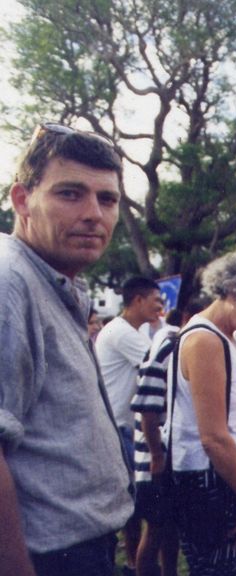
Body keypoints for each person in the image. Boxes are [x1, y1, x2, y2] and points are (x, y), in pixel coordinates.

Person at [0, 122, 133, 576]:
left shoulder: (49, 282)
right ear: (22, 201)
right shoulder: (8, 283)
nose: (94, 213)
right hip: (49, 557)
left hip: (82, 548)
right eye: (70, 194)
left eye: (107, 199)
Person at [167, 250, 236, 574]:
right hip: (220, 483)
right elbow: (214, 437)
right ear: (234, 290)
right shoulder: (204, 340)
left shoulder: (227, 339)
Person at [131, 300, 207, 576]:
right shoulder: (166, 348)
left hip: (176, 457)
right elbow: (147, 409)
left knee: (170, 526)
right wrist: (156, 456)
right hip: (156, 458)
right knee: (154, 530)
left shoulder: (189, 348)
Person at [95, 275, 164, 575]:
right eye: (156, 301)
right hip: (118, 427)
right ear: (137, 300)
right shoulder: (123, 333)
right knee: (134, 502)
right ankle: (136, 564)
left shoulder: (128, 330)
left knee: (132, 503)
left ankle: (134, 562)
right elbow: (161, 364)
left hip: (121, 425)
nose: (160, 307)